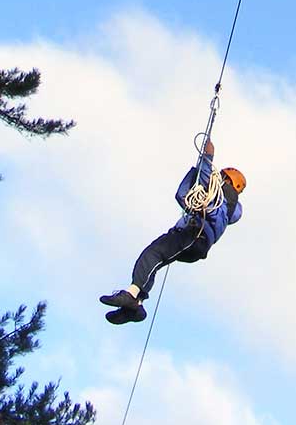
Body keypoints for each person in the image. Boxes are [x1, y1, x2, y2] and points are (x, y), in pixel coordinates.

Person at [100, 139, 245, 324]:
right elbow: (187, 196)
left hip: (193, 234)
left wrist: (207, 157)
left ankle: (132, 295)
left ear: (226, 181)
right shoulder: (227, 207)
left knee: (153, 254)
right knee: (155, 259)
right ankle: (136, 303)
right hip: (195, 240)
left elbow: (197, 186)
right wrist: (198, 172)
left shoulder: (222, 198)